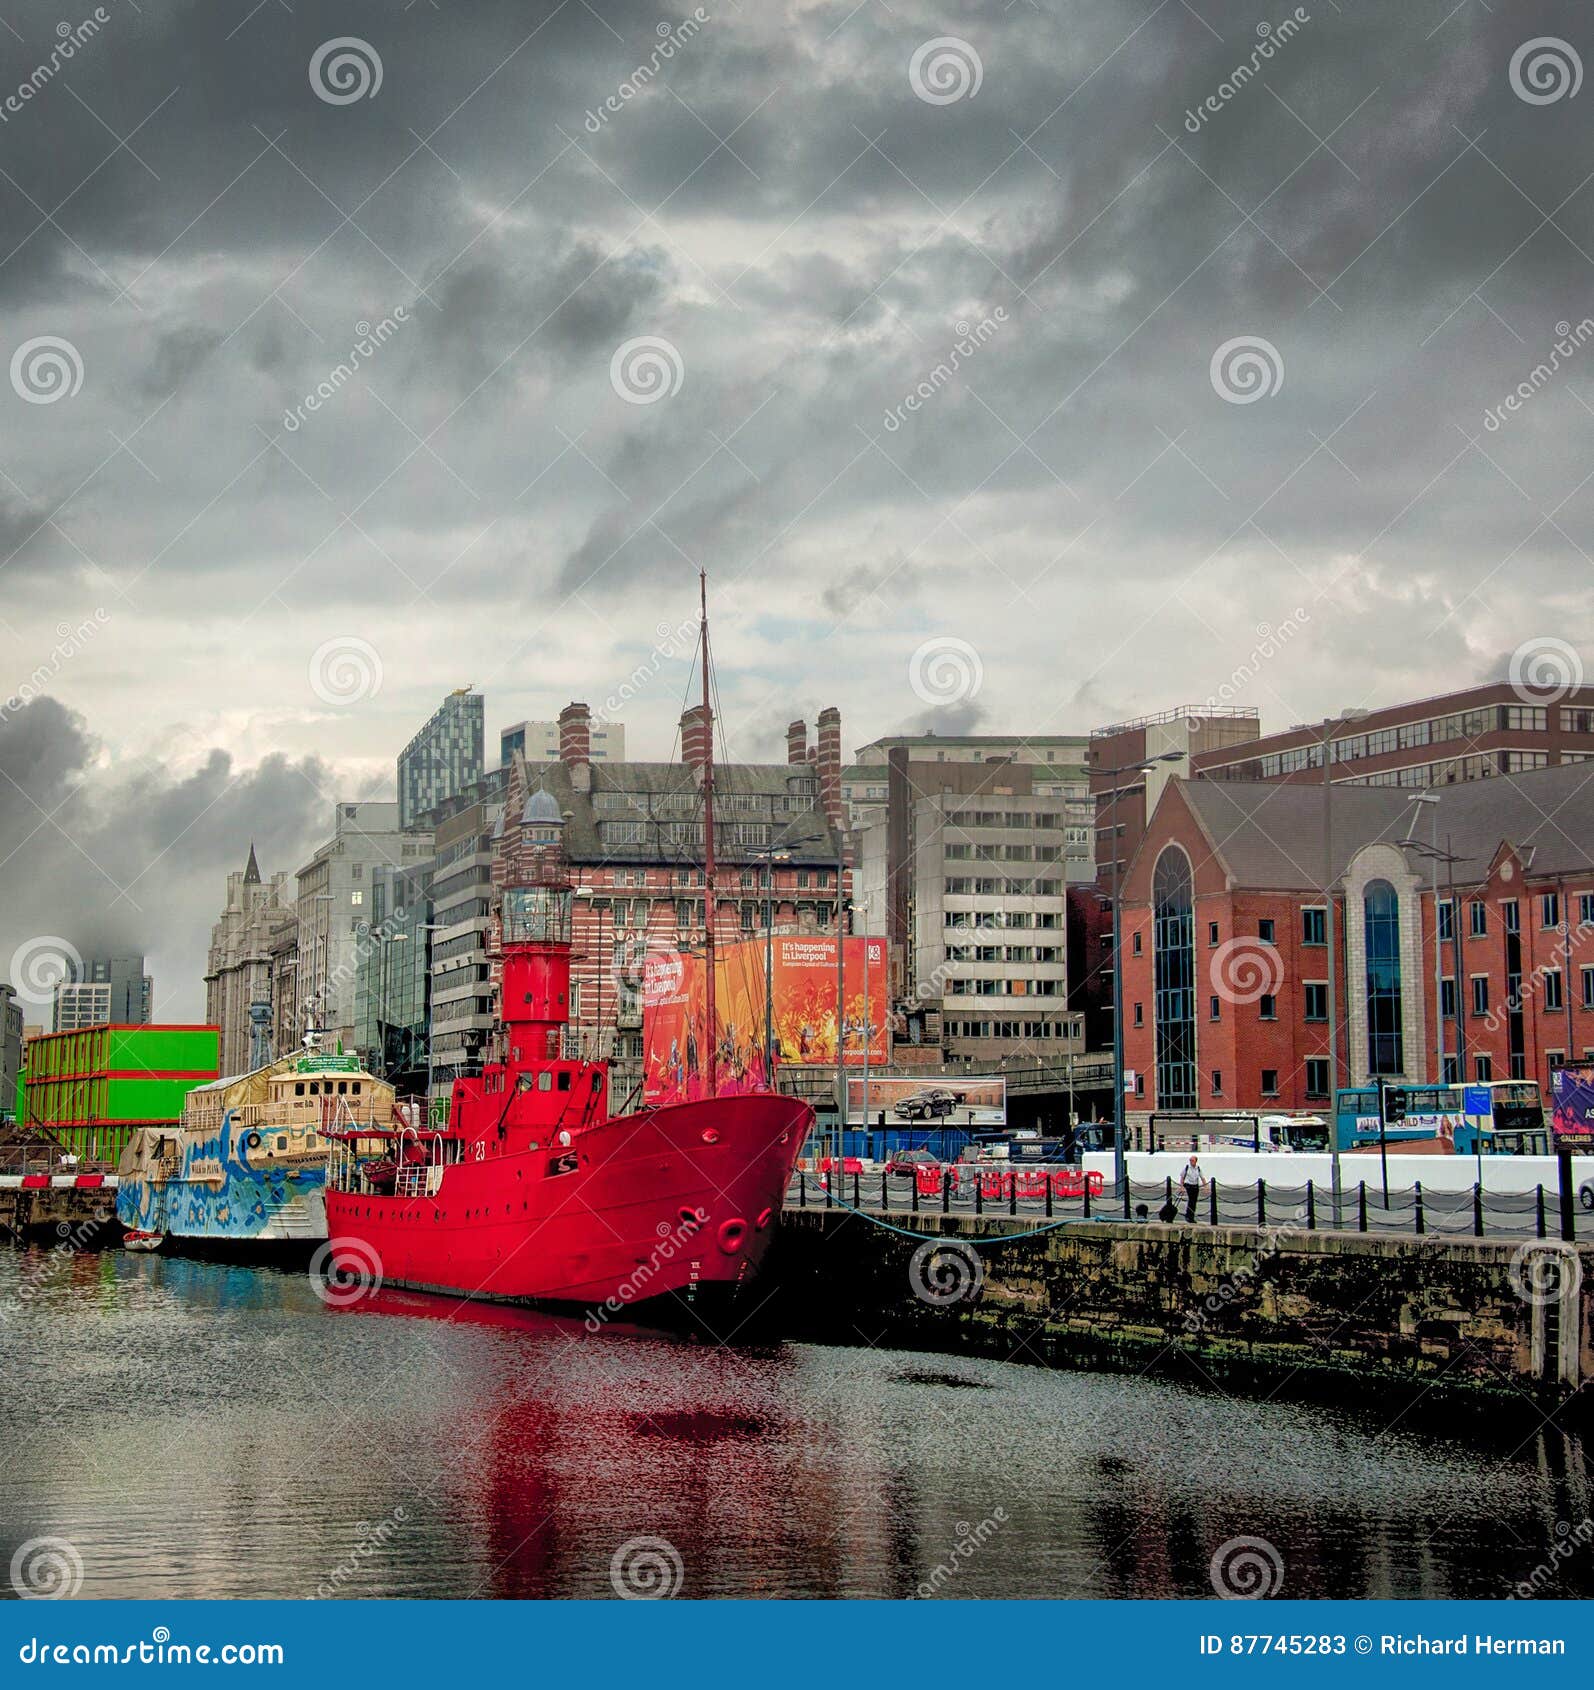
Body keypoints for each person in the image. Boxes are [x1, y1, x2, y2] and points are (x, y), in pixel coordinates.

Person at [1181, 1153, 1204, 1223]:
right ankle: (1188, 1216)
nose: (1191, 1162)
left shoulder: (1198, 1168)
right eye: (1190, 1160)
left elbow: (1202, 1177)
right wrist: (1181, 1187)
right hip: (1189, 1185)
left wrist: (1206, 1186)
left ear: (1196, 1161)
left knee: (1194, 1202)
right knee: (1191, 1201)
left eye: (1192, 1160)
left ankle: (1191, 1216)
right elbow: (1182, 1177)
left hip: (1195, 1186)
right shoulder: (1187, 1167)